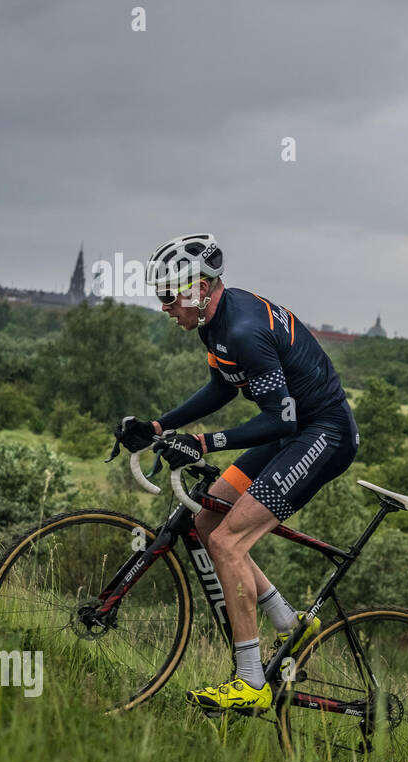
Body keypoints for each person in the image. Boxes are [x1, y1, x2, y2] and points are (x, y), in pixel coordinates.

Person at [115, 233, 360, 712]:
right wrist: (160, 426)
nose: (163, 305)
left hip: (321, 435)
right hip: (294, 428)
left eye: (169, 294)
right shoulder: (214, 322)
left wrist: (203, 442)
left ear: (200, 287)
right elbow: (221, 388)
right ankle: (289, 621)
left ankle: (250, 683)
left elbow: (281, 419)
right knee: (206, 522)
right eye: (158, 294)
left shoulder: (244, 328)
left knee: (228, 542)